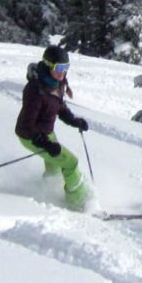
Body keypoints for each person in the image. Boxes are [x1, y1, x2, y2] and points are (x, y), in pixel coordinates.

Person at [15, 44, 91, 210]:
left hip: (46, 134)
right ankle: (80, 202)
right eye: (59, 68)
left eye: (65, 68)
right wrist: (45, 144)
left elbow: (59, 107)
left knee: (55, 168)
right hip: (30, 136)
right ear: (48, 65)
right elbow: (26, 125)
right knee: (70, 162)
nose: (62, 73)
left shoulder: (58, 83)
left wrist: (74, 121)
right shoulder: (35, 90)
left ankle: (47, 193)